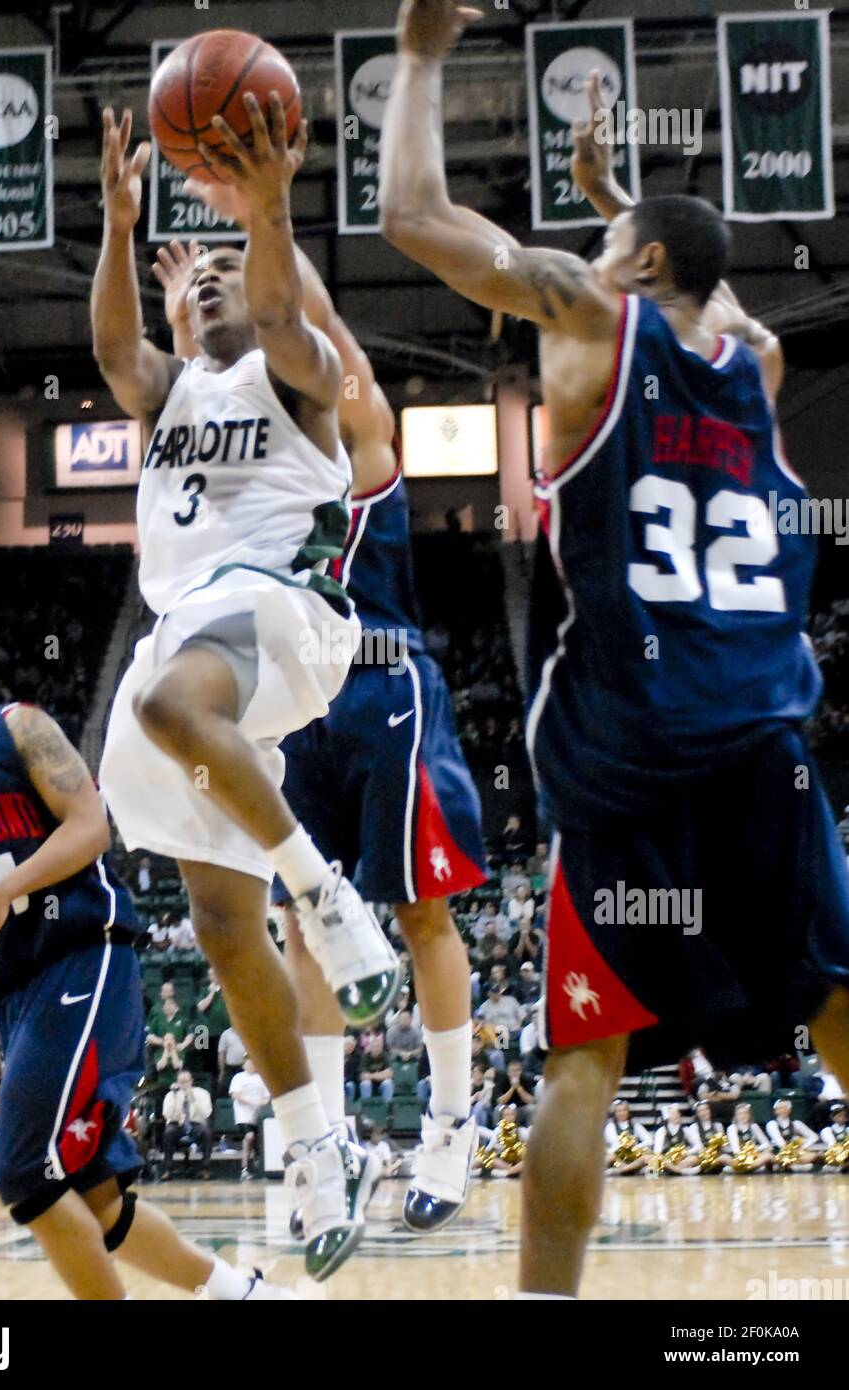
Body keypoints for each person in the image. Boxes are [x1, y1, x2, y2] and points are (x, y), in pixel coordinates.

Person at [381, 0, 849, 1296]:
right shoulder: (751, 364)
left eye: (609, 241)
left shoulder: (591, 313)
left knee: (584, 1055)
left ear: (628, 264)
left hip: (633, 759)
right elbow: (700, 282)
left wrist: (420, 53)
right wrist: (625, 198)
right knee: (831, 1000)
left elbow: (411, 222)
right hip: (764, 738)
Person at [91, 100, 392, 1280]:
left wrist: (264, 212)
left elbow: (281, 307)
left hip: (284, 615)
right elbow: (118, 358)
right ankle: (322, 1149)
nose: (209, 283)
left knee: (166, 705)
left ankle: (328, 898)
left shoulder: (298, 374)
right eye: (192, 278)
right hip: (196, 646)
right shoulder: (170, 397)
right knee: (221, 928)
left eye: (225, 271)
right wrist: (120, 230)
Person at [161, 162, 488, 1239]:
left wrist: (257, 214)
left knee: (421, 908)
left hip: (383, 685)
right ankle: (329, 1144)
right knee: (305, 921)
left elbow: (317, 317)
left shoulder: (350, 435)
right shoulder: (230, 458)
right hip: (285, 703)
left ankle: (450, 1122)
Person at [0, 632, 290, 1300]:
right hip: (21, 996)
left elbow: (90, 828)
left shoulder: (19, 726)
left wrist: (1, 891)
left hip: (85, 958)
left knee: (23, 1175)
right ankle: (246, 1295)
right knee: (97, 1197)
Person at [161, 1070, 213, 1180]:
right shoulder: (171, 1095)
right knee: (168, 1133)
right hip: (176, 1123)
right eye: (181, 1081)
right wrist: (175, 1098)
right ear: (177, 1082)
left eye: (186, 1081)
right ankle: (168, 1169)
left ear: (191, 1081)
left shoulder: (202, 1093)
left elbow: (206, 1113)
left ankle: (205, 1169)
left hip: (196, 1123)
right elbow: (167, 1114)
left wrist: (193, 1099)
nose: (184, 1084)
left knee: (206, 1133)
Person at [229, 1057, 271, 1181]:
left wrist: (260, 1103)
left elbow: (266, 1097)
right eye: (248, 1062)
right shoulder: (238, 1077)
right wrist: (252, 1102)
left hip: (258, 1116)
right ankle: (244, 1168)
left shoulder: (261, 1078)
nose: (251, 1064)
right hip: (243, 1115)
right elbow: (236, 1094)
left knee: (259, 1141)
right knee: (249, 1137)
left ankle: (259, 1167)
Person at [765, 1097, 821, 1171]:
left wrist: (803, 1147)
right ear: (775, 1111)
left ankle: (789, 1165)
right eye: (780, 1108)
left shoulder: (796, 1124)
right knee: (768, 1157)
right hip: (778, 1152)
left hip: (794, 1153)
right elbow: (779, 1140)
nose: (782, 1110)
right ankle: (788, 1165)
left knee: (814, 1156)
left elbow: (814, 1136)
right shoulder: (772, 1124)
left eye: (785, 1108)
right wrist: (786, 1151)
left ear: (789, 1110)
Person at [603, 1100, 651, 1175]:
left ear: (628, 1112)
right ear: (615, 1113)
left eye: (625, 1110)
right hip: (618, 1158)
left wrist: (636, 1147)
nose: (622, 1113)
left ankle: (625, 1169)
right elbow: (616, 1144)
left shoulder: (634, 1124)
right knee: (610, 1157)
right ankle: (627, 1168)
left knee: (647, 1157)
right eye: (619, 1111)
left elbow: (649, 1140)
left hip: (633, 1157)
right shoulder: (610, 1126)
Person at [727, 1103, 772, 1173]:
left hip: (753, 1156)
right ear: (736, 1116)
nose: (743, 1116)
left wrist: (756, 1148)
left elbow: (767, 1144)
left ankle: (747, 1168)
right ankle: (744, 1167)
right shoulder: (732, 1128)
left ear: (749, 1115)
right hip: (738, 1157)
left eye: (746, 1113)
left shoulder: (754, 1126)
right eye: (740, 1113)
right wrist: (743, 1156)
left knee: (768, 1155)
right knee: (724, 1159)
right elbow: (735, 1149)